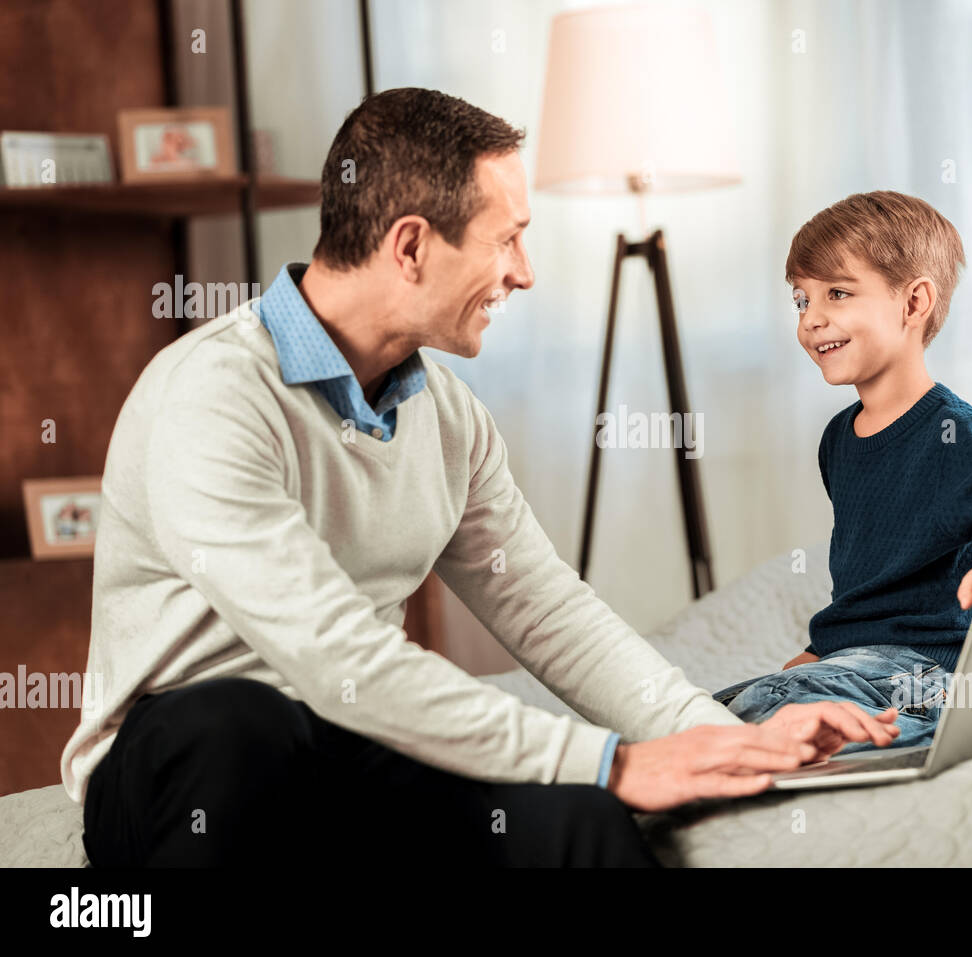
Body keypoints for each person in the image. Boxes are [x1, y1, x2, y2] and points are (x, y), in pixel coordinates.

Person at [63, 88, 902, 868]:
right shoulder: (212, 395)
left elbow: (548, 610)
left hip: (347, 735)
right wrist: (612, 759)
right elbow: (332, 650)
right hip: (184, 756)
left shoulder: (449, 417)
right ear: (413, 246)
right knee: (237, 726)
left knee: (580, 821)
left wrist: (719, 740)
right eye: (507, 238)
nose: (524, 271)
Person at [714, 191, 972, 755]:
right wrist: (826, 647)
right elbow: (873, 584)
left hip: (927, 668)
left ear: (914, 302)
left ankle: (935, 727)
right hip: (860, 663)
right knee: (710, 712)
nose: (813, 319)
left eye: (838, 293)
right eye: (801, 301)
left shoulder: (956, 434)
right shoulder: (838, 439)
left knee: (778, 709)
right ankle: (828, 717)